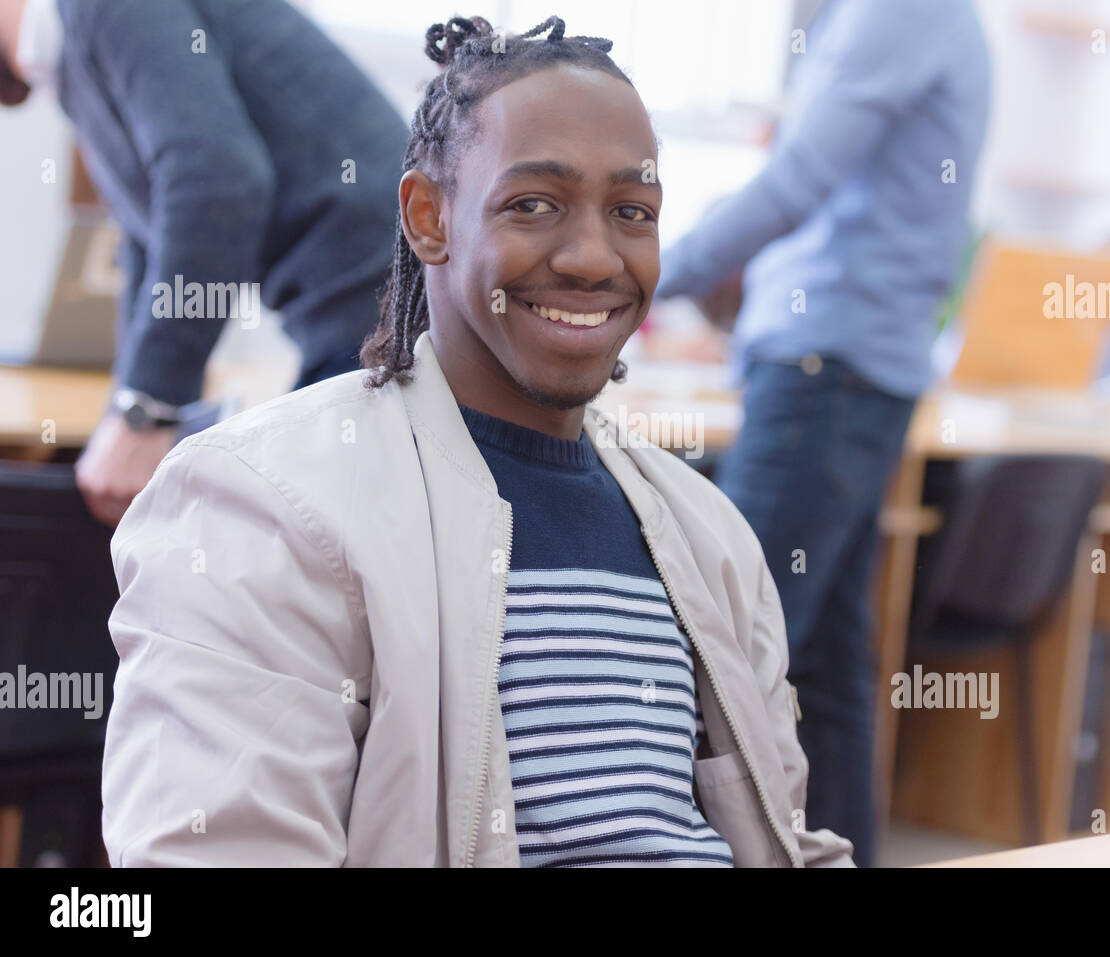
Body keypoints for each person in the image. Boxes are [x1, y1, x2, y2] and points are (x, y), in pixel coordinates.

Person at [100, 15, 854, 868]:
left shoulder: (708, 535)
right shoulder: (262, 501)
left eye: (632, 211)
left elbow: (780, 837)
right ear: (428, 217)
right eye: (533, 204)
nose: (591, 257)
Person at [654, 0, 990, 865]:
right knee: (827, 662)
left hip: (823, 366)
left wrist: (645, 276)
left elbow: (800, 176)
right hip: (859, 366)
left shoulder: (899, 12)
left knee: (720, 651)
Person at [0, 0, 409, 525]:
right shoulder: (70, 56)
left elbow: (217, 183)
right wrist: (132, 412)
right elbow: (149, 243)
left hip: (393, 316)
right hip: (361, 320)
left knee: (275, 547)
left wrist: (150, 408)